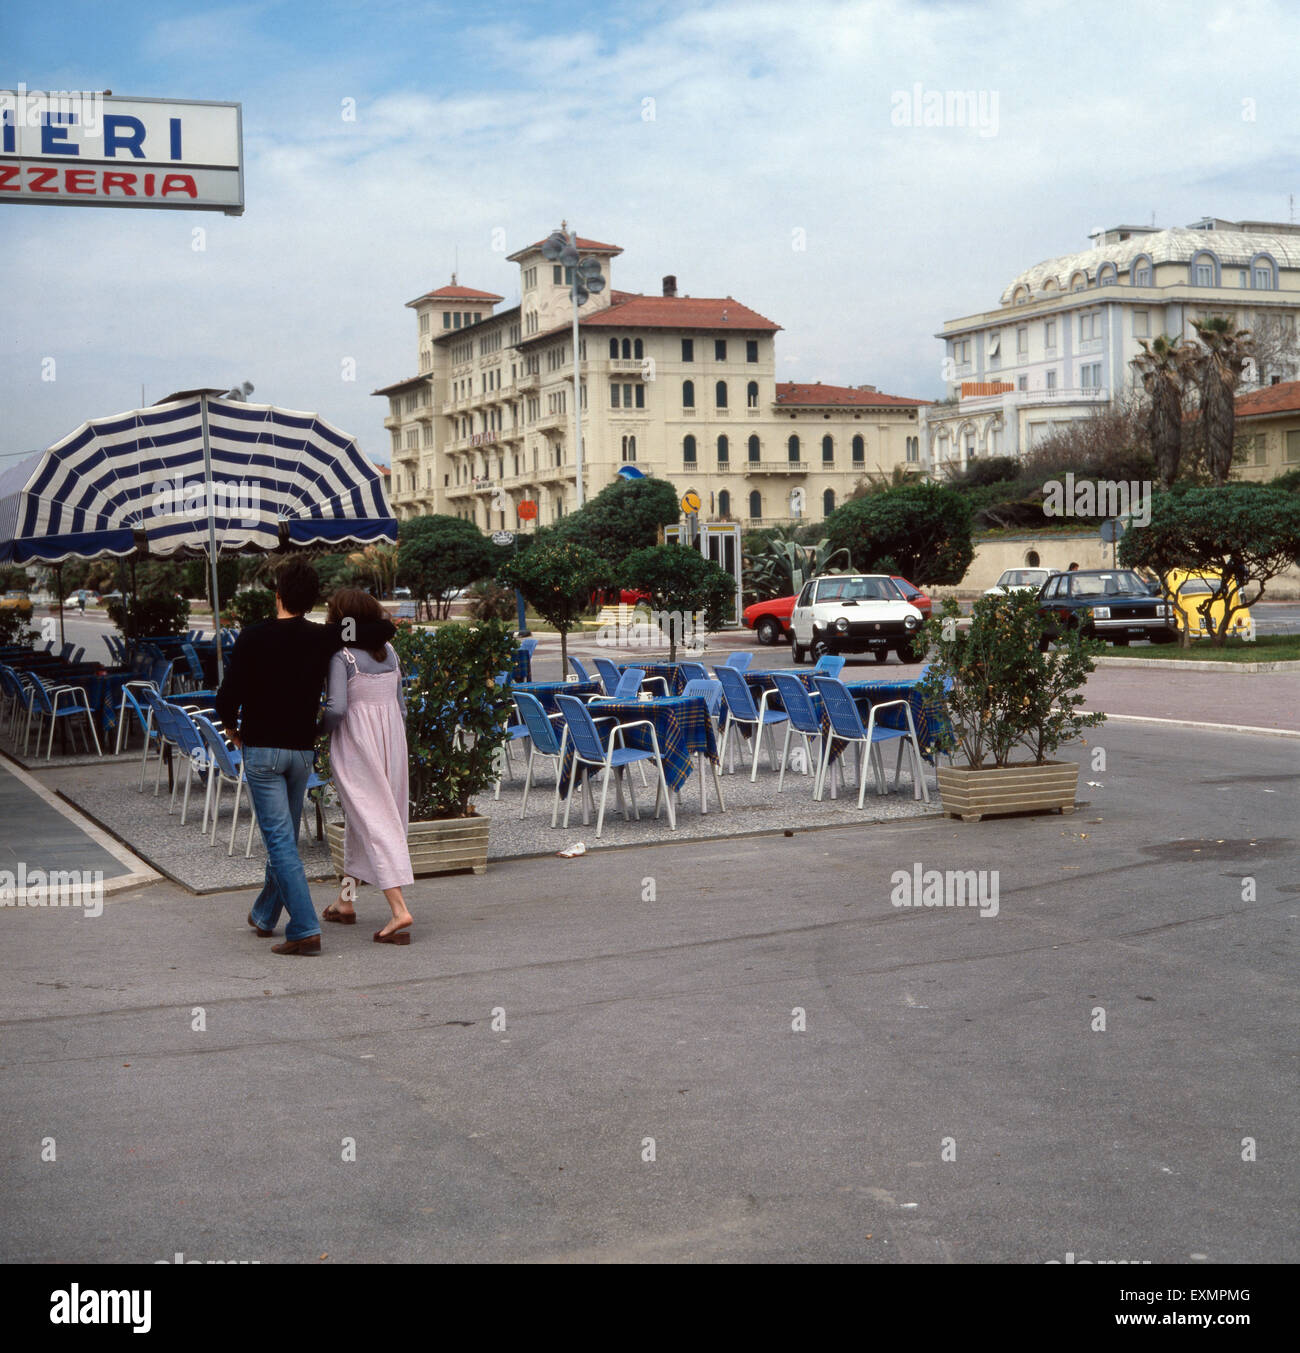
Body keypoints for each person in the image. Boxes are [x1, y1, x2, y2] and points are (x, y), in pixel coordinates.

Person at [215, 559, 395, 956]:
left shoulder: (252, 636)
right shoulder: (324, 637)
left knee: (280, 842)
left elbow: (228, 695)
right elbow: (382, 628)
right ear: (313, 598)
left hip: (262, 751)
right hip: (300, 752)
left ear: (276, 594)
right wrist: (342, 628)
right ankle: (265, 914)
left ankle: (304, 928)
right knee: (284, 837)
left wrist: (231, 727)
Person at [319, 588, 415, 944]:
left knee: (373, 820)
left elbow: (337, 709)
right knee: (363, 821)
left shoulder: (342, 656)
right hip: (391, 741)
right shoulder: (390, 651)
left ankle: (398, 908)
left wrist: (320, 731)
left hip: (355, 744)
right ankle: (345, 901)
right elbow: (401, 705)